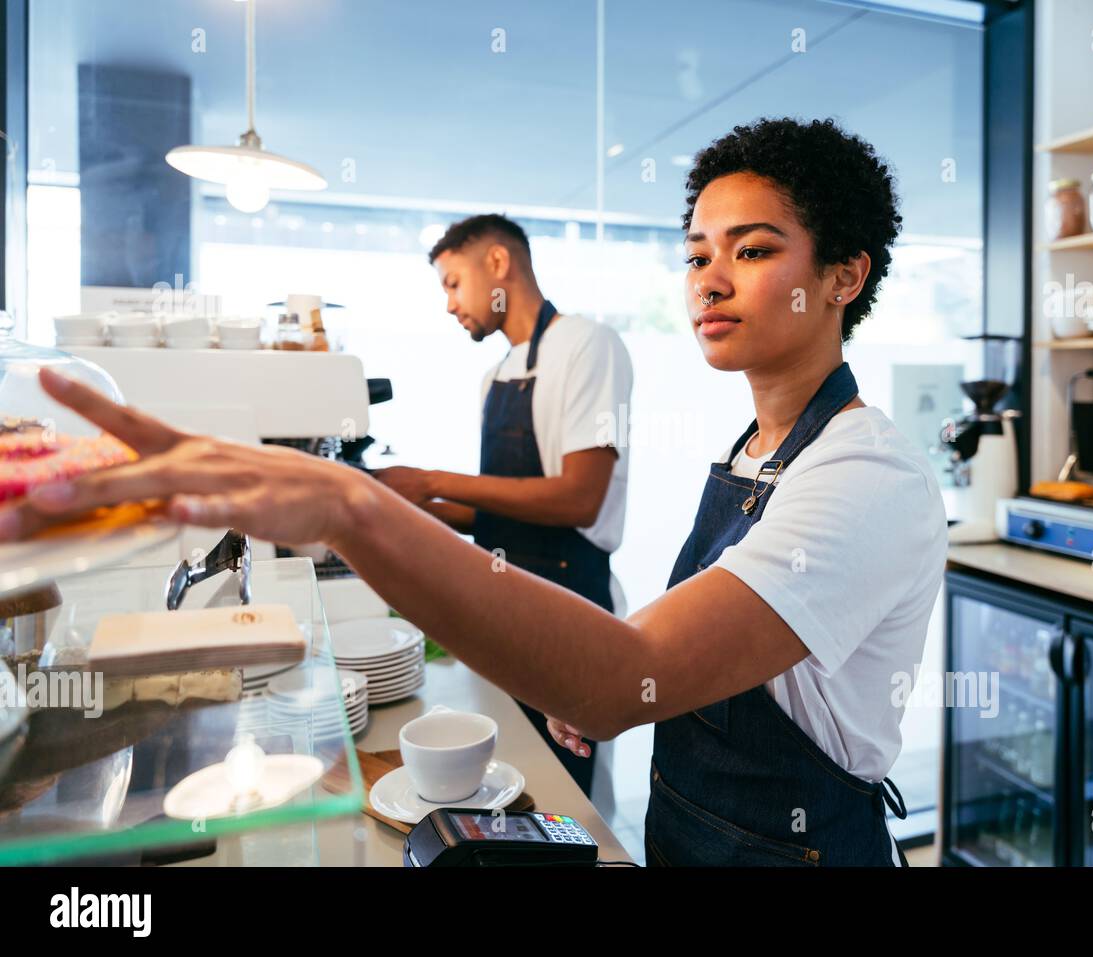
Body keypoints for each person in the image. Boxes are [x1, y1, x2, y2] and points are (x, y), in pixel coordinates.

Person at [2, 117, 947, 866]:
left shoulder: (866, 474)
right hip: (696, 833)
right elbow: (717, 634)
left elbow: (620, 659)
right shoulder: (757, 446)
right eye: (697, 254)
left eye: (750, 250)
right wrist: (651, 680)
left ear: (843, 276)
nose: (709, 279)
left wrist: (349, 499)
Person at [372, 213, 633, 797]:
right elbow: (509, 508)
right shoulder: (495, 376)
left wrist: (432, 479)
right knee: (513, 779)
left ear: (496, 263)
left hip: (571, 605)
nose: (448, 304)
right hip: (506, 600)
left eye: (451, 282)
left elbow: (578, 498)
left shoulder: (589, 345)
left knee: (562, 797)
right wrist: (400, 506)